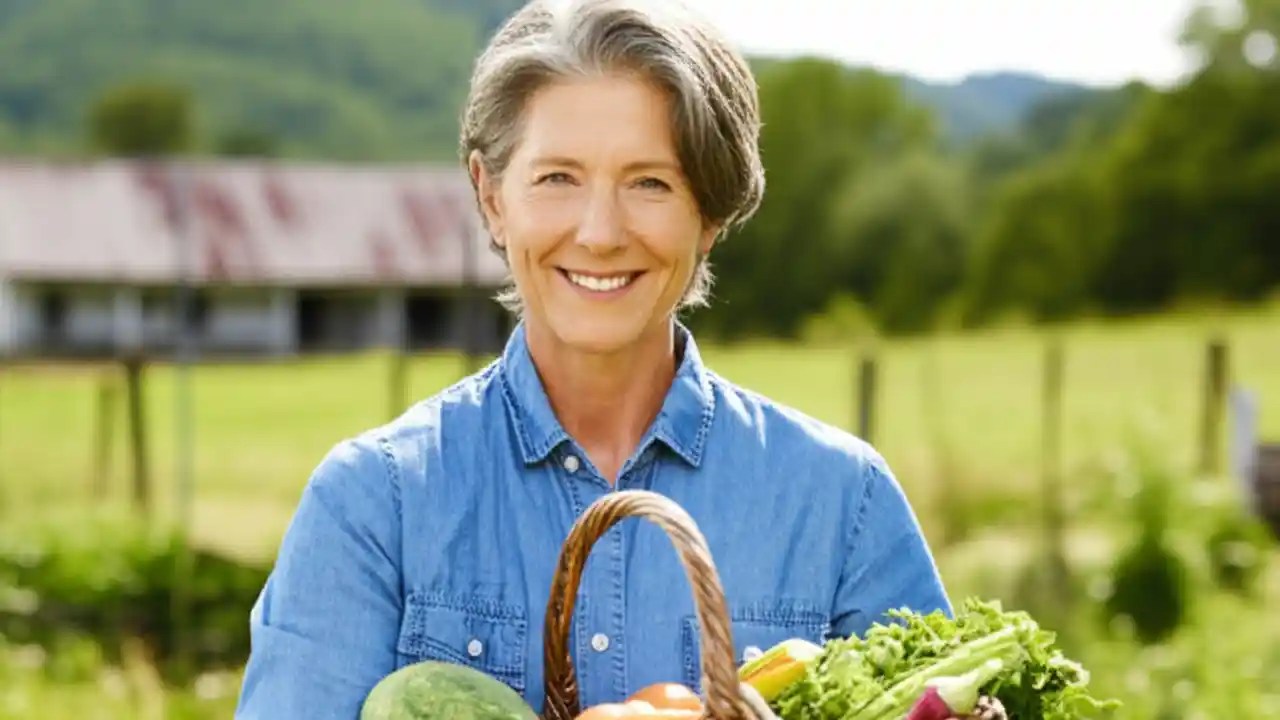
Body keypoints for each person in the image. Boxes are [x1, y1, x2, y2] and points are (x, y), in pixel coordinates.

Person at [234, 0, 951, 717]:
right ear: (492, 198)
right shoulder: (373, 505)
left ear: (709, 215)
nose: (601, 233)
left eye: (650, 183)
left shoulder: (840, 503)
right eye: (557, 179)